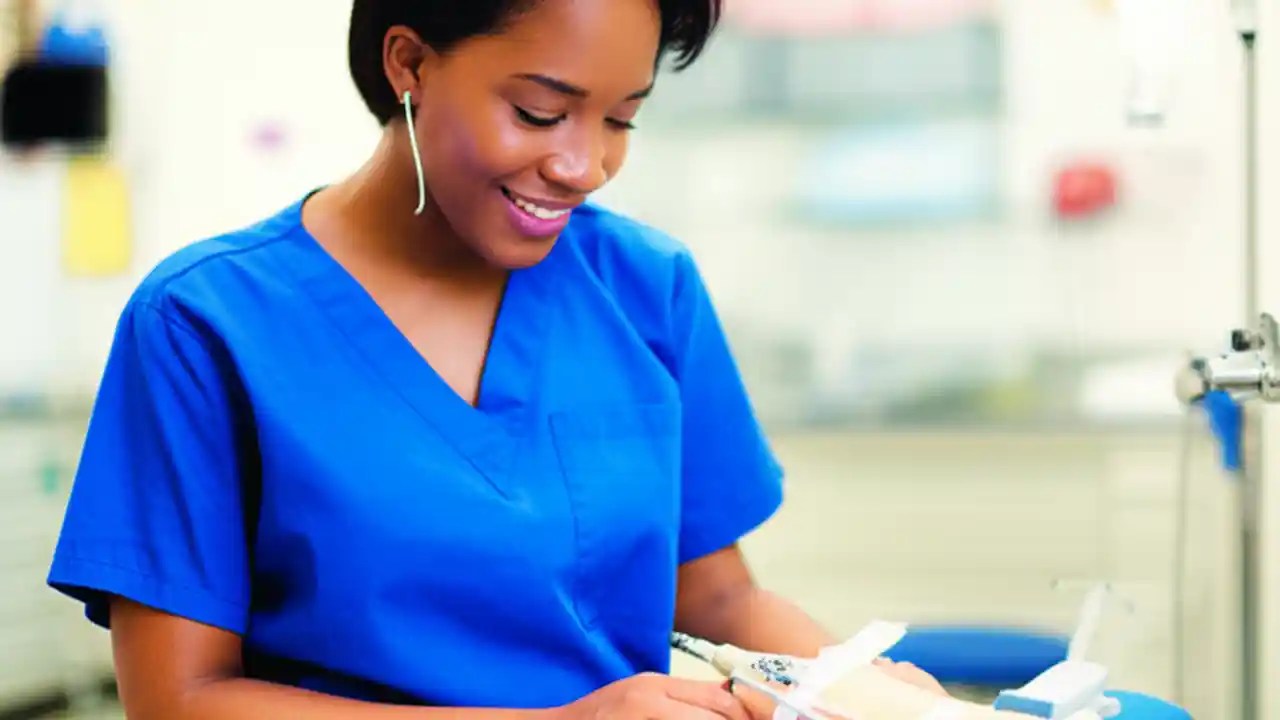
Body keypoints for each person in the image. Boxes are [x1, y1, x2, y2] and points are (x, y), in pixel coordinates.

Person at [47, 1, 947, 718]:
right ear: (409, 63)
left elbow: (714, 602)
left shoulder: (645, 286)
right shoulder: (205, 324)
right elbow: (180, 699)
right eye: (540, 112)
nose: (585, 165)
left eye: (622, 119)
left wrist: (848, 687)